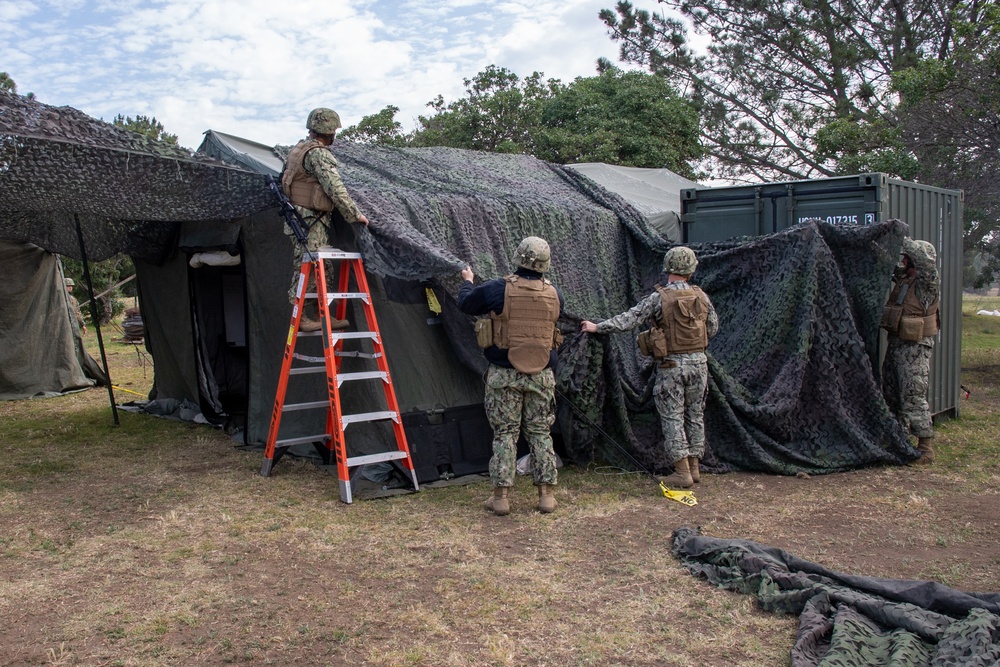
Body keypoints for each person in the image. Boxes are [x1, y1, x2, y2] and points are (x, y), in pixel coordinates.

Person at [581, 246, 719, 489]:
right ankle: (696, 468)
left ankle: (682, 472)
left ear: (668, 268)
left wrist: (598, 327)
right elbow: (713, 328)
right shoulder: (701, 296)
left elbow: (630, 319)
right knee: (695, 415)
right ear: (691, 269)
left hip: (671, 366)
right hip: (700, 364)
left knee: (673, 416)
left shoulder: (660, 297)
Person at [458, 237, 565, 515]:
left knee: (505, 434)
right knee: (541, 433)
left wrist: (467, 280)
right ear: (545, 264)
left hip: (505, 375)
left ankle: (501, 497)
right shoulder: (555, 294)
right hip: (542, 375)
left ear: (517, 258)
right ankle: (546, 496)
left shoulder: (498, 288)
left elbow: (467, 304)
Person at [280, 107, 369, 332]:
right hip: (308, 220)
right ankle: (301, 318)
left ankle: (322, 316)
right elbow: (335, 188)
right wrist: (355, 214)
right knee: (308, 265)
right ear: (328, 130)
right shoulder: (318, 154)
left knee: (321, 267)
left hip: (304, 219)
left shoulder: (298, 150)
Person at [880, 237, 940, 464]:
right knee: (892, 393)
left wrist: (899, 236)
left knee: (913, 395)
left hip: (915, 349)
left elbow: (925, 263)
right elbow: (884, 263)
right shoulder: (904, 279)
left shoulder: (927, 282)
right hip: (898, 344)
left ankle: (925, 448)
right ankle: (899, 440)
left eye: (907, 258)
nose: (903, 261)